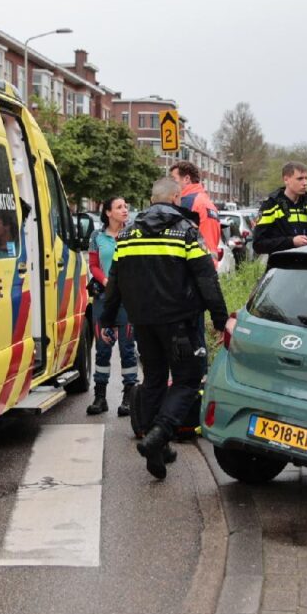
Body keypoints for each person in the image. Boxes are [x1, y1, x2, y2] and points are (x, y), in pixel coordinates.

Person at [101, 177, 229, 480]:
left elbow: (115, 280)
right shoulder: (186, 231)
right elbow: (206, 278)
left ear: (150, 200)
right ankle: (159, 434)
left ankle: (157, 449)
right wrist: (220, 320)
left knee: (154, 380)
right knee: (187, 379)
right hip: (179, 322)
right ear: (175, 198)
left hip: (143, 322)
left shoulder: (127, 234)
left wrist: (107, 319)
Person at [86, 196, 139, 417]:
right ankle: (100, 397)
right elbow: (93, 265)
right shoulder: (96, 236)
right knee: (103, 348)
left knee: (127, 349)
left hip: (128, 301)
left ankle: (129, 397)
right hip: (104, 299)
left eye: (125, 206)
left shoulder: (134, 234)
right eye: (119, 207)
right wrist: (107, 281)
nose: (125, 210)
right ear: (108, 212)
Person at [253, 162, 307, 255]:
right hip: (282, 264)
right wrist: (291, 242)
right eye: (300, 179)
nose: (305, 183)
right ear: (286, 180)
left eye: (306, 178)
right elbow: (258, 245)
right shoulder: (270, 206)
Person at [169, 161, 222, 266]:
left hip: (191, 268)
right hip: (206, 266)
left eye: (174, 180)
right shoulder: (207, 203)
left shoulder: (186, 203)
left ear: (186, 179)